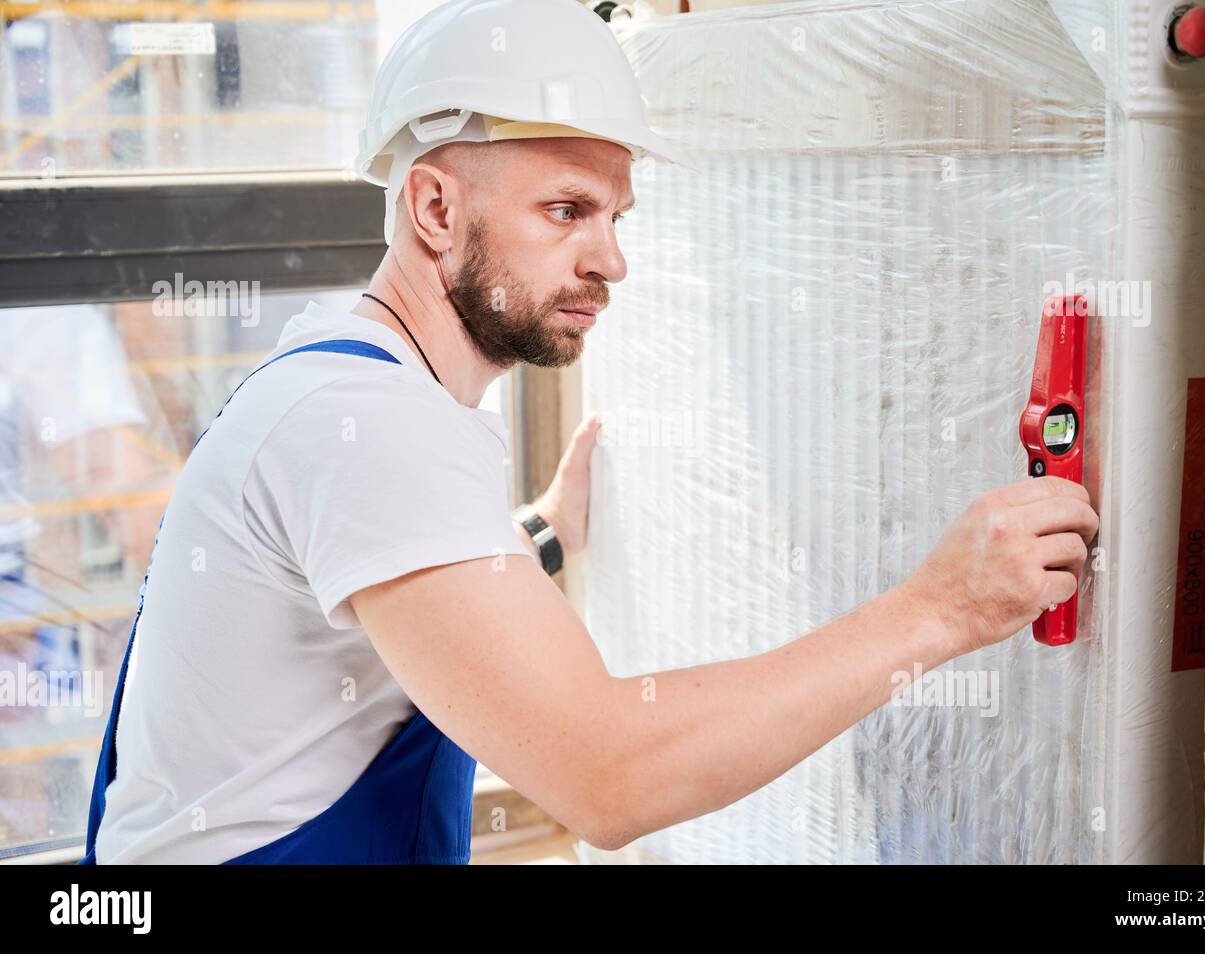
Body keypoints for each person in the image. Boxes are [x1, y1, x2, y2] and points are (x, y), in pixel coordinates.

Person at [82, 0, 1098, 864]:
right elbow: (607, 776)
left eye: (617, 215)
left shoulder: (338, 373)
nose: (611, 260)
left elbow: (379, 606)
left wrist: (537, 533)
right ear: (434, 205)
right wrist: (940, 608)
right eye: (566, 209)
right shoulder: (371, 425)